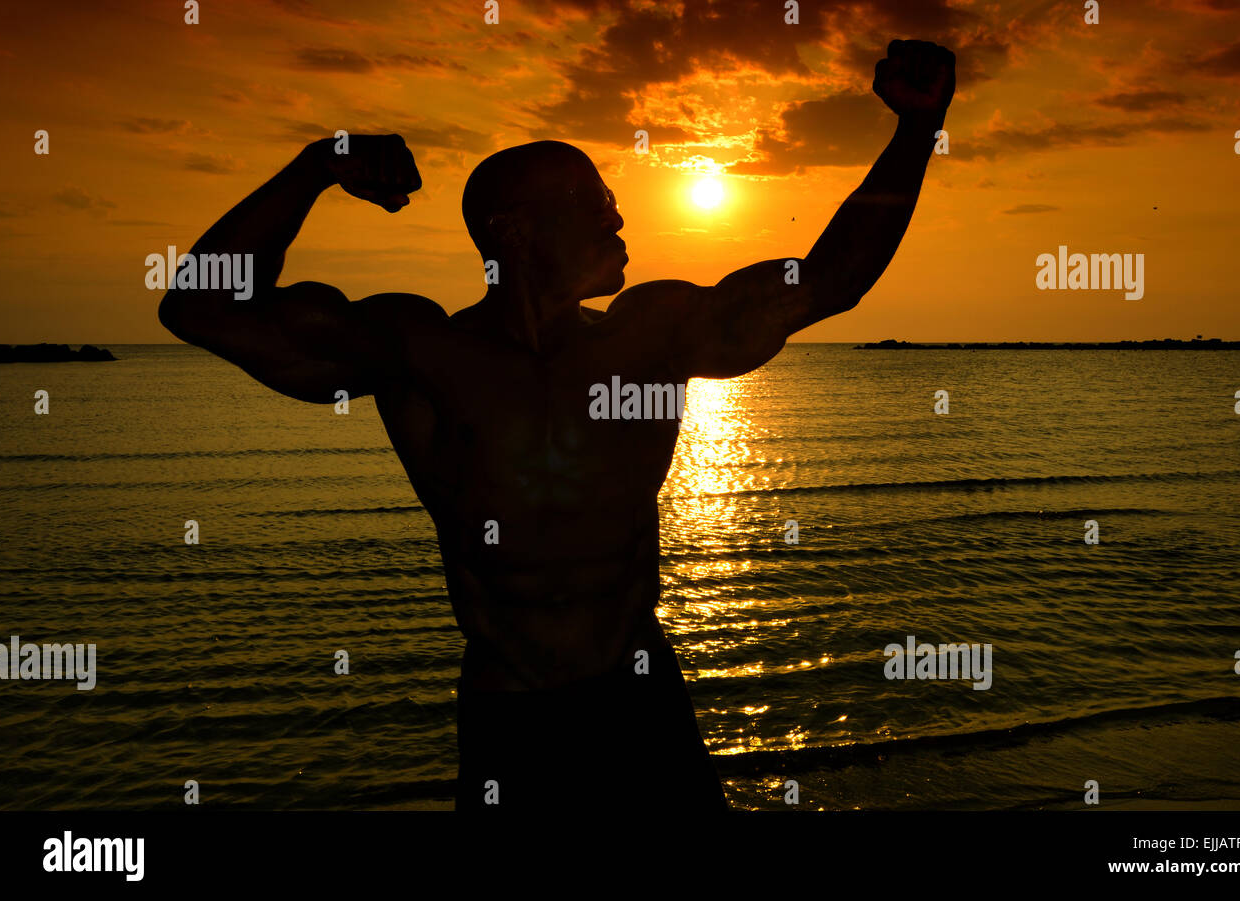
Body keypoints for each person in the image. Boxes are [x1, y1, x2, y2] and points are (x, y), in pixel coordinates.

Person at [158, 39, 956, 812]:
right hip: (516, 725)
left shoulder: (648, 335)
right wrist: (316, 168)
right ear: (513, 230)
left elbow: (830, 280)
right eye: (587, 200)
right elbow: (199, 306)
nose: (615, 214)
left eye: (609, 195)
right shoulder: (421, 350)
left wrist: (917, 129)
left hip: (642, 704)